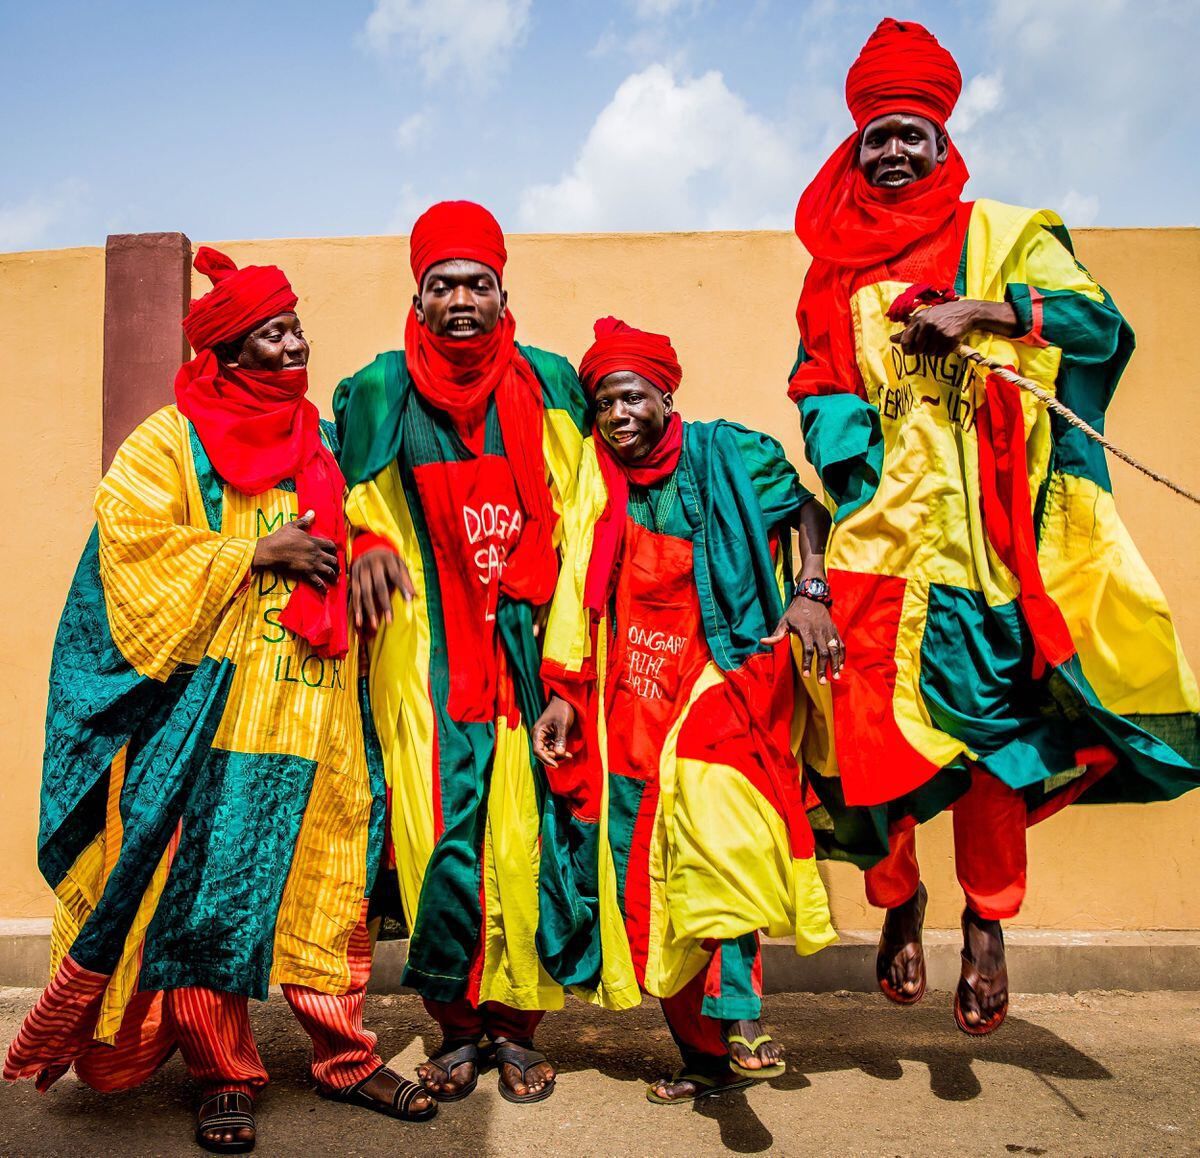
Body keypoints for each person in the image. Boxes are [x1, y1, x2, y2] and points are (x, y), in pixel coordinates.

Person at [789, 17, 1200, 1035]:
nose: (891, 151)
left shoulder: (1008, 233)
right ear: (854, 145)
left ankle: (985, 924)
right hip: (879, 547)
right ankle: (898, 904)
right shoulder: (832, 272)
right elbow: (816, 380)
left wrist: (987, 312)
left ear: (942, 138)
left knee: (991, 755)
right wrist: (854, 460)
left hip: (986, 556)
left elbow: (1101, 326)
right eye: (875, 135)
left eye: (909, 134)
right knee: (867, 750)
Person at [3, 247, 435, 1152]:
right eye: (273, 334)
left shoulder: (312, 437)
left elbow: (342, 520)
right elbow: (129, 547)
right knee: (212, 893)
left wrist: (366, 553)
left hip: (318, 709)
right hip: (223, 717)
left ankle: (346, 1058)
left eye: (294, 325)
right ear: (229, 354)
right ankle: (223, 1074)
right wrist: (251, 554)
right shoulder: (170, 441)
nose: (295, 343)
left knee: (329, 887)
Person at [530, 317, 839, 1103]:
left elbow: (804, 507)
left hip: (723, 675)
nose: (618, 415)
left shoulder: (726, 452)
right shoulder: (595, 485)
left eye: (632, 395)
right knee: (652, 875)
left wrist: (809, 588)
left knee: (715, 833)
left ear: (666, 393)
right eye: (604, 403)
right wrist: (566, 695)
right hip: (632, 697)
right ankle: (704, 1058)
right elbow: (575, 592)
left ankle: (739, 1012)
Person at [333, 201, 588, 1105]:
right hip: (431, 664)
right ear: (419, 295)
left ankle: (517, 1030)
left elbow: (587, 513)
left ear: (503, 290)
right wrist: (364, 544)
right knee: (440, 839)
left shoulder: (551, 383)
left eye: (477, 283)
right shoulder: (381, 391)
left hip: (529, 660)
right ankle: (454, 1026)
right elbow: (345, 490)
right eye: (443, 285)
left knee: (527, 841)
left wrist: (565, 670)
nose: (461, 299)